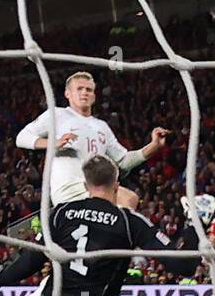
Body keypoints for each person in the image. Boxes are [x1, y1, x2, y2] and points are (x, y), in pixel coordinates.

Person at [0, 156, 198, 296]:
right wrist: (194, 225)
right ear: (116, 185)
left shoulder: (61, 213)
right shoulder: (128, 221)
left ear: (85, 185)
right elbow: (184, 266)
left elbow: (30, 261)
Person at [15, 71, 168, 211]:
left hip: (95, 188)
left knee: (131, 199)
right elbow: (22, 138)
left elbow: (123, 160)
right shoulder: (57, 115)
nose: (84, 93)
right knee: (124, 202)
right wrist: (53, 143)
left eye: (89, 90)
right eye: (79, 89)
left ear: (94, 96)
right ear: (67, 93)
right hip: (70, 189)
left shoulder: (101, 126)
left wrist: (154, 146)